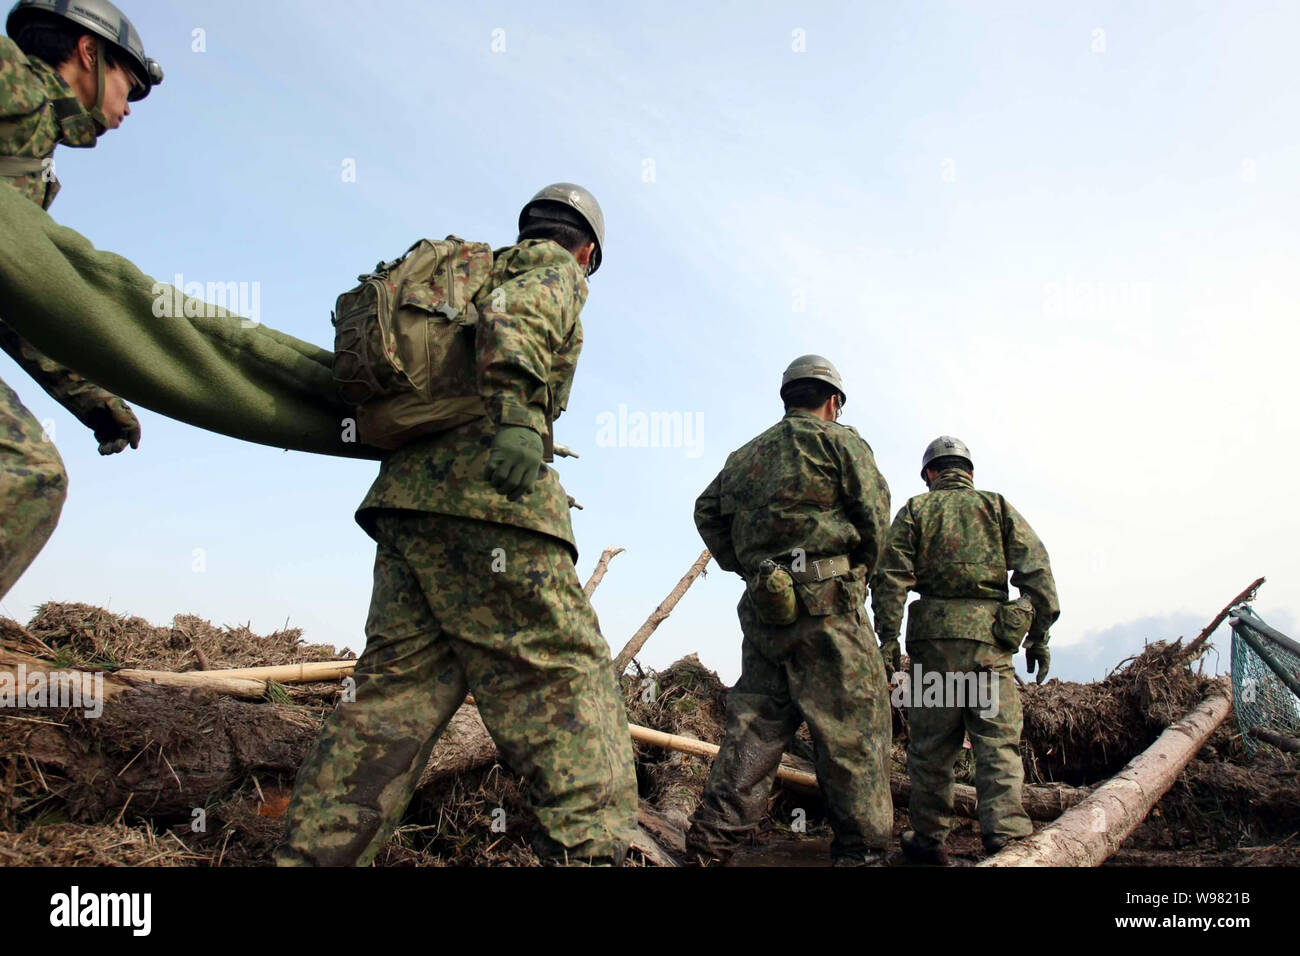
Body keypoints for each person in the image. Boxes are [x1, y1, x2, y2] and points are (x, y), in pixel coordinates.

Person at [275, 184, 641, 866]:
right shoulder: (550, 267)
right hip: (490, 503)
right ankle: (598, 854)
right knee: (564, 682)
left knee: (389, 702)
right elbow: (521, 318)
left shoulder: (463, 280)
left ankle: (310, 859)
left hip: (409, 505)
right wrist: (521, 416)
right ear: (587, 250)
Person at [685, 355, 894, 866]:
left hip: (765, 612)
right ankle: (861, 853)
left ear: (787, 398)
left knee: (753, 727)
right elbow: (876, 520)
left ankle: (709, 848)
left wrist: (753, 567)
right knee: (854, 728)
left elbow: (705, 511)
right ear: (832, 402)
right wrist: (859, 574)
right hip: (831, 610)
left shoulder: (745, 456)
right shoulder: (841, 442)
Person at [0, 0, 162, 598]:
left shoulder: (33, 158)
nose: (127, 109)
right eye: (129, 84)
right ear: (89, 54)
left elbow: (17, 302)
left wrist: (89, 396)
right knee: (26, 472)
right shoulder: (17, 86)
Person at [870, 436, 1060, 864]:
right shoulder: (996, 507)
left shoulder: (917, 510)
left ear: (930, 475)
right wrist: (1038, 636)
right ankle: (1006, 838)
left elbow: (889, 578)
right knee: (997, 745)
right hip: (989, 650)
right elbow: (1038, 572)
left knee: (931, 752)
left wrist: (887, 640)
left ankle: (927, 842)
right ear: (969, 473)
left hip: (932, 652)